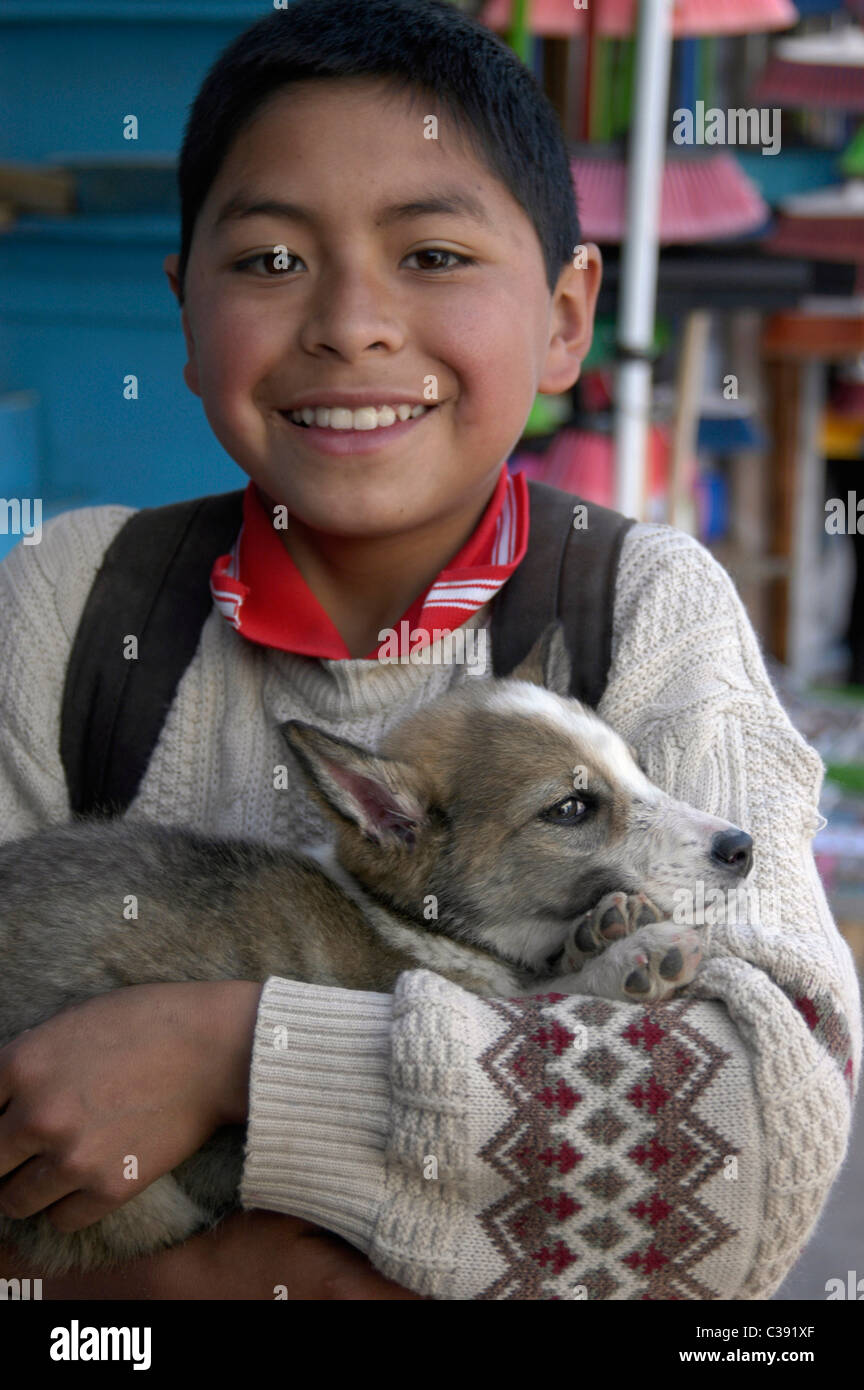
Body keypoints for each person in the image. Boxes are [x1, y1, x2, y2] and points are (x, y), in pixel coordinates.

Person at [0, 0, 859, 1301]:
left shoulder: (649, 610)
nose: (353, 322)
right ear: (183, 311)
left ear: (571, 315)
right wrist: (188, 1284)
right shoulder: (71, 604)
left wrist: (242, 1057)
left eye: (436, 254)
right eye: (273, 260)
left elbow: (761, 1147)